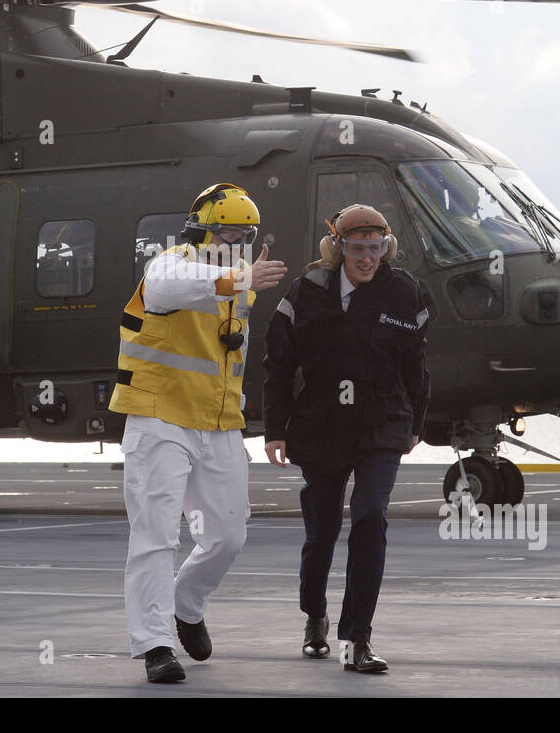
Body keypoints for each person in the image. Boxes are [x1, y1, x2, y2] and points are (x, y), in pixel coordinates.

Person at [110, 183, 286, 683]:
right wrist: (237, 277)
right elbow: (166, 289)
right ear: (202, 231)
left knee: (228, 534)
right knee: (156, 534)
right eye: (228, 232)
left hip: (218, 423)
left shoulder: (236, 285)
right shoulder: (172, 263)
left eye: (245, 235)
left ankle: (187, 604)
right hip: (159, 416)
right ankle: (155, 645)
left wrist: (237, 280)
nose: (237, 241)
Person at [262, 204, 431, 673]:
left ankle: (358, 639)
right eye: (357, 249)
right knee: (322, 534)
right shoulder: (306, 292)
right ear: (338, 248)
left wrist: (415, 423)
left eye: (375, 249)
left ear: (386, 248)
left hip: (382, 423)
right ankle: (315, 614)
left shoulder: (404, 293)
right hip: (320, 427)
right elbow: (277, 367)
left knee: (371, 517)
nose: (367, 258)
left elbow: (417, 368)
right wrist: (275, 429)